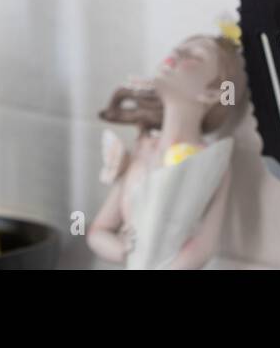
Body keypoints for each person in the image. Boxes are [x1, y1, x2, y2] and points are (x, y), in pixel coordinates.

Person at [87, 28, 246, 269]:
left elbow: (204, 247)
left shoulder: (212, 163)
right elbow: (98, 231)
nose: (175, 56)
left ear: (213, 93)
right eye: (177, 50)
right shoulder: (142, 150)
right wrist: (123, 249)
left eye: (193, 56)